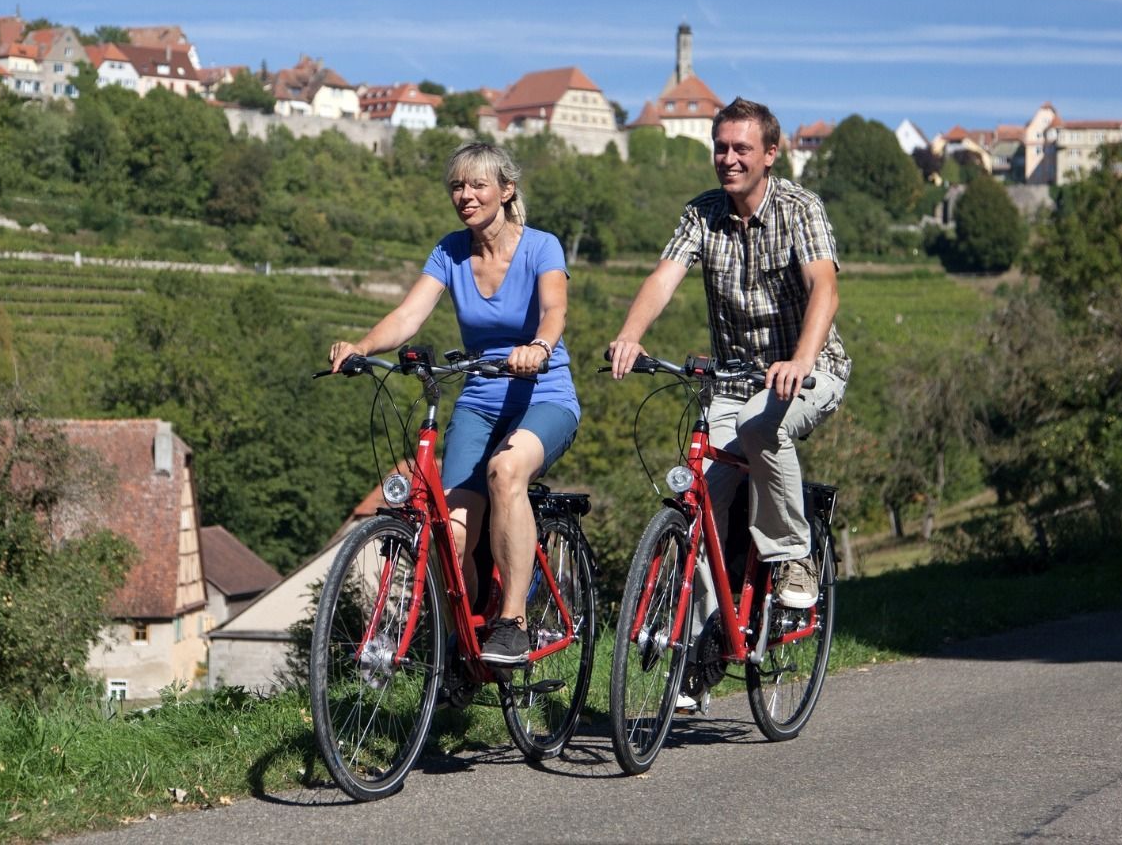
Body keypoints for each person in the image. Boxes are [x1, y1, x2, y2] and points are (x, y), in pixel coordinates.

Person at [329, 141, 579, 667]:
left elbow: (554, 309)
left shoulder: (541, 247)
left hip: (543, 394)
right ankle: (464, 647)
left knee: (506, 471)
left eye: (477, 185)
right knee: (453, 533)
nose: (465, 195)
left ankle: (512, 622)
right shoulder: (449, 252)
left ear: (506, 191)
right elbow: (408, 315)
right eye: (457, 186)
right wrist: (362, 347)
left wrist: (538, 347)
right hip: (480, 398)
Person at [607, 97, 849, 609]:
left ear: (770, 154)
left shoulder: (799, 208)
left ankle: (793, 554)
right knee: (700, 507)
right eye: (721, 148)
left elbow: (824, 289)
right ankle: (701, 646)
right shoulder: (702, 212)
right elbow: (663, 278)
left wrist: (801, 359)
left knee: (759, 426)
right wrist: (630, 334)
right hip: (733, 381)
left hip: (811, 371)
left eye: (742, 148)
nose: (729, 159)